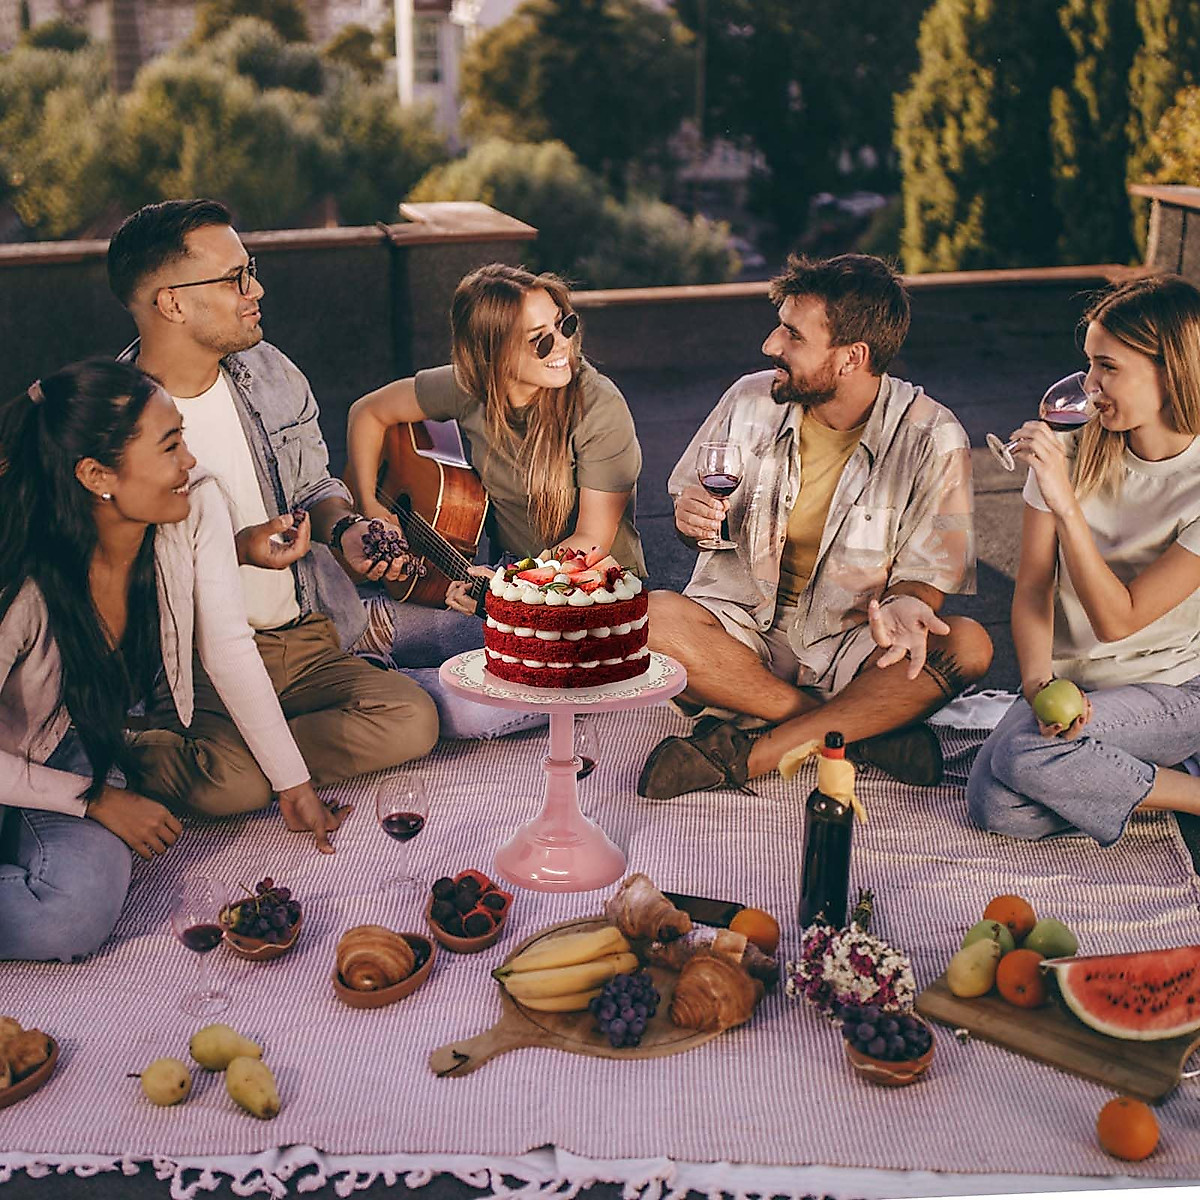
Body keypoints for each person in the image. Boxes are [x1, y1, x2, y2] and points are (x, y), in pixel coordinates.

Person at [105, 201, 438, 815]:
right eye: (234, 277)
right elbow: (118, 576)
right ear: (172, 303)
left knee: (413, 719)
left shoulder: (269, 370)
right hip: (198, 667)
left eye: (249, 268)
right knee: (228, 788)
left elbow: (316, 488)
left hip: (306, 637)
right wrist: (239, 548)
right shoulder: (113, 424)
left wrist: (346, 532)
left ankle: (250, 758)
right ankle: (152, 746)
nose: (255, 289)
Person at [0, 360, 338, 962]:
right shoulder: (21, 583)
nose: (190, 460)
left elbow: (228, 647)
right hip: (22, 759)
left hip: (70, 749)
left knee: (73, 914)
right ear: (96, 474)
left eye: (182, 435)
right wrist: (96, 801)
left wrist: (294, 783)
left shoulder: (196, 503)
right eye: (170, 444)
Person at [638, 253, 993, 800]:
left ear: (852, 357)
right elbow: (694, 506)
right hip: (736, 630)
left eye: (792, 334)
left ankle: (747, 752)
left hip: (849, 643)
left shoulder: (933, 435)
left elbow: (929, 576)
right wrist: (690, 521)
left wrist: (907, 601)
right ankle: (852, 731)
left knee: (967, 646)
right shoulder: (749, 399)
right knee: (645, 620)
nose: (770, 346)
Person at [345, 262, 644, 732]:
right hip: (505, 590)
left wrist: (508, 583)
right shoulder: (470, 388)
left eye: (564, 325)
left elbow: (590, 541)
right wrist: (371, 505)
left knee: (462, 711)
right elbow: (368, 412)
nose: (562, 346)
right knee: (348, 620)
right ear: (492, 352)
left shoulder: (598, 406)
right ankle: (396, 674)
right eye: (540, 339)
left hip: (591, 604)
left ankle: (393, 688)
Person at [968, 274, 1200, 845]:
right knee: (994, 805)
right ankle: (1123, 778)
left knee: (1022, 759)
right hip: (1074, 685)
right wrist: (1036, 684)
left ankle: (1187, 794)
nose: (1090, 385)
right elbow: (1032, 589)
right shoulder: (1073, 447)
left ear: (1170, 372)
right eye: (1089, 364)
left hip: (1168, 688)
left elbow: (1116, 621)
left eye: (1109, 368)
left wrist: (1064, 500)